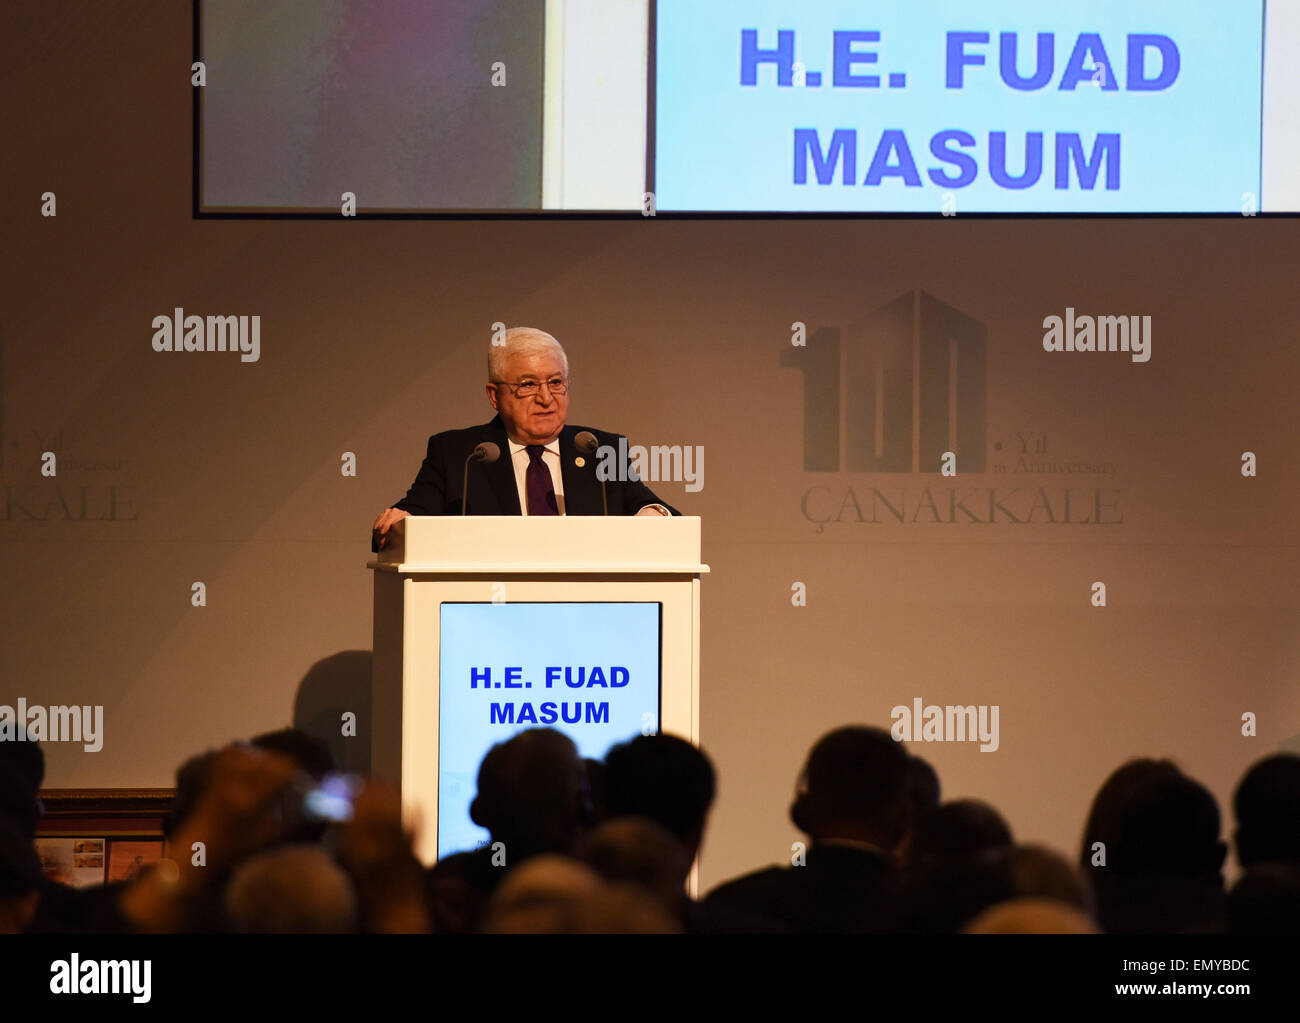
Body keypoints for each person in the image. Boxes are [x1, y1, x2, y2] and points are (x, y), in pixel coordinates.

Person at [373, 327, 678, 550]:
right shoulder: (460, 455)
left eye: (556, 382)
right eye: (529, 384)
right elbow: (411, 516)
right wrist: (403, 520)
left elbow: (656, 510)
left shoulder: (602, 450)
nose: (546, 398)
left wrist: (652, 513)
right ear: (495, 395)